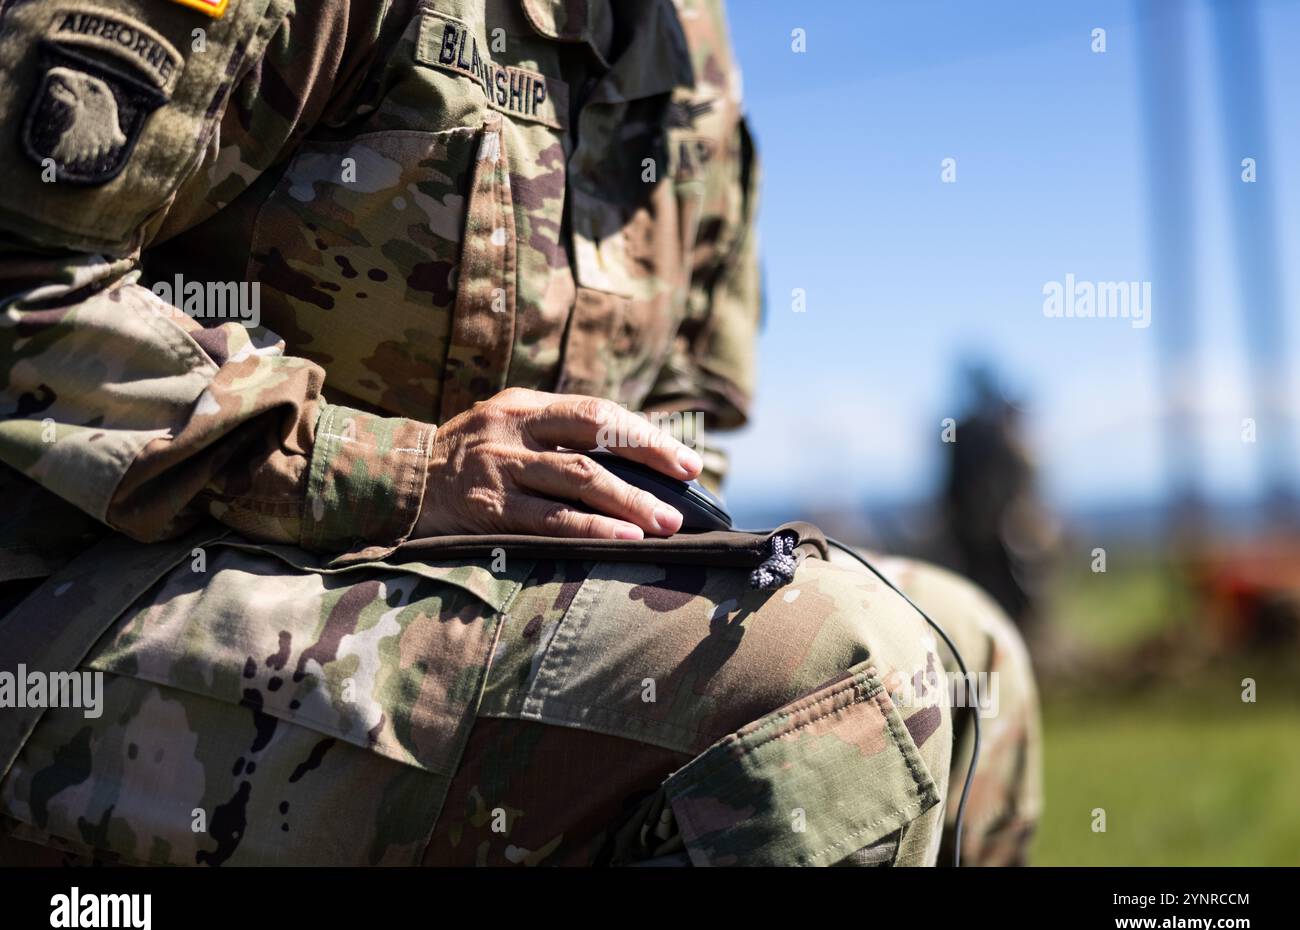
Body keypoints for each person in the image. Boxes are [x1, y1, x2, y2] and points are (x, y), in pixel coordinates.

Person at [0, 0, 1039, 866]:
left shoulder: (687, 49)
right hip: (81, 590)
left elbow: (674, 418)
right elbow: (26, 280)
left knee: (966, 651)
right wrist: (401, 472)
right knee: (839, 684)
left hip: (410, 592)